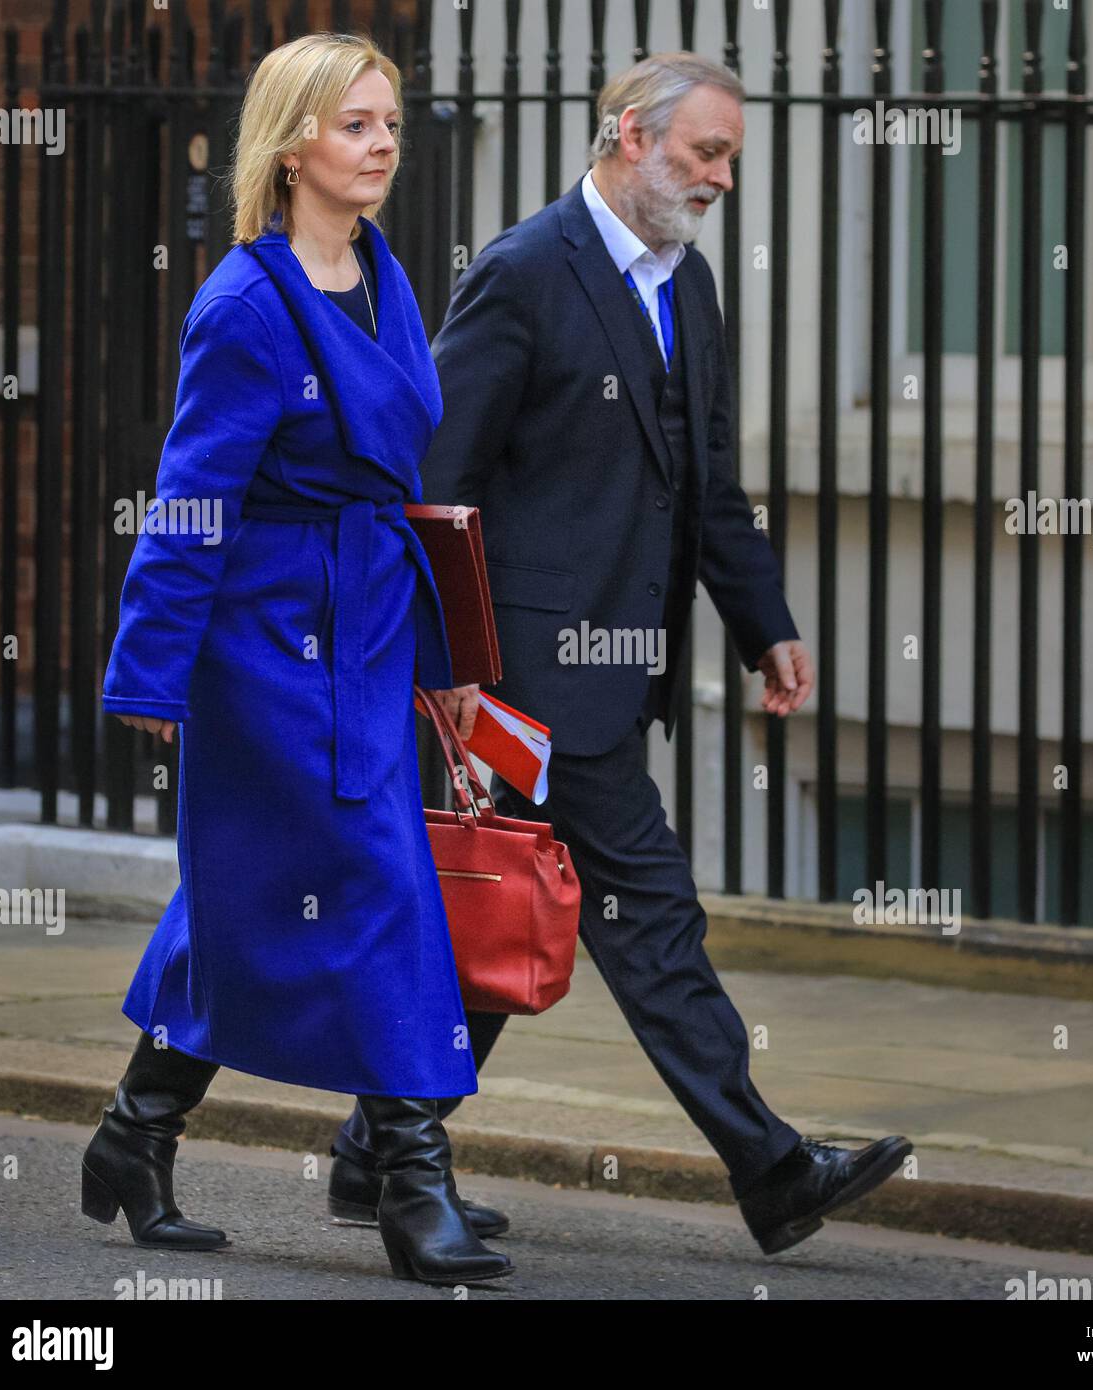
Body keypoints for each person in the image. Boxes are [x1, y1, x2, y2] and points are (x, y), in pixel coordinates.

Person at [329, 52, 913, 1259]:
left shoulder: (683, 287)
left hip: (609, 669)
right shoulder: (526, 272)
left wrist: (767, 625)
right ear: (628, 140)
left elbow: (708, 488)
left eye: (730, 157)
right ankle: (771, 1167)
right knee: (647, 914)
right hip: (527, 685)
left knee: (500, 921)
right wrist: (458, 677)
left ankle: (375, 1152)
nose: (722, 177)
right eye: (707, 152)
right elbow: (438, 491)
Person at [86, 32, 510, 1286]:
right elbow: (189, 500)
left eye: (390, 121)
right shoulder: (241, 307)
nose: (384, 143)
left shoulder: (383, 273)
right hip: (266, 646)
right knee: (379, 882)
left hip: (371, 625)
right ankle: (409, 1177)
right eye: (356, 125)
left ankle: (132, 1134)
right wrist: (151, 673)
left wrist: (441, 661)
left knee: (251, 894)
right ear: (292, 146)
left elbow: (398, 491)